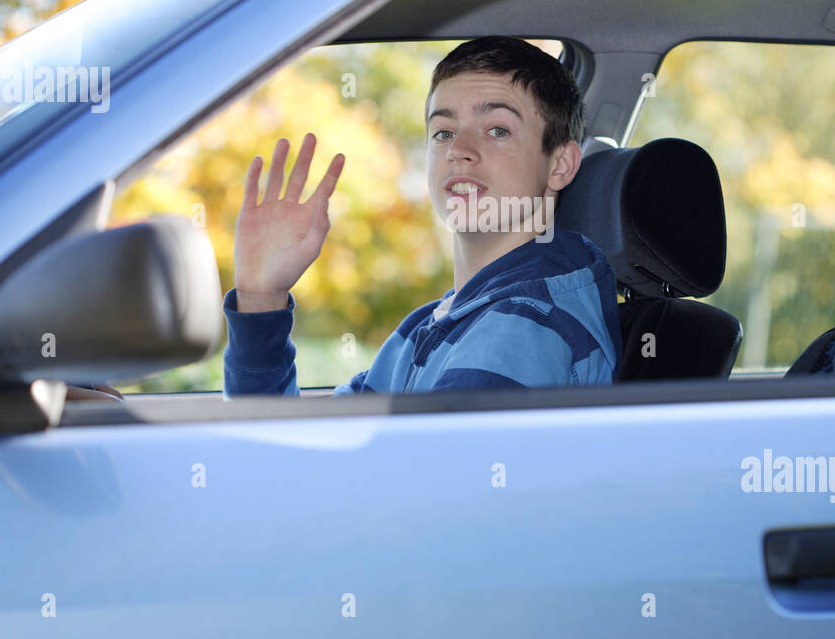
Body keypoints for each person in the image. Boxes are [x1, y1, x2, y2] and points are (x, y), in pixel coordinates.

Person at [221, 36, 622, 397]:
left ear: (561, 164)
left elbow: (359, 476)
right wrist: (261, 299)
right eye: (443, 132)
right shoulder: (430, 325)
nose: (459, 149)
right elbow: (304, 449)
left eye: (497, 130)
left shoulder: (527, 324)